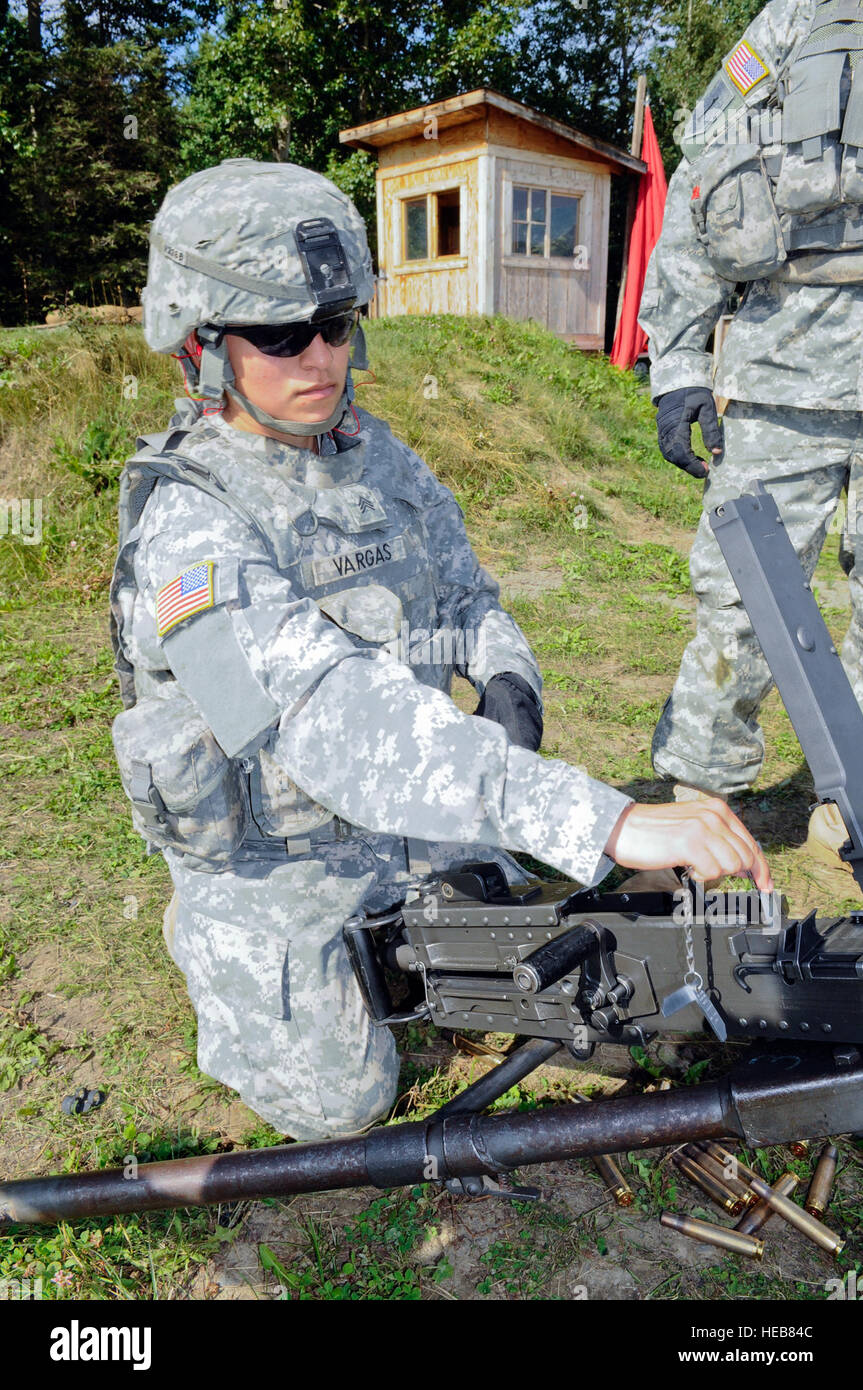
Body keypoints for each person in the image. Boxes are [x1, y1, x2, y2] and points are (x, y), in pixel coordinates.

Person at [109, 158, 771, 1142]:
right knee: (341, 1104)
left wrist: (505, 674)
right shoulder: (188, 529)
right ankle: (211, 935)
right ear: (197, 343)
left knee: (592, 983)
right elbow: (323, 715)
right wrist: (604, 818)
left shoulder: (374, 457)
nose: (320, 357)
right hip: (277, 858)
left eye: (335, 324)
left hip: (408, 819)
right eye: (280, 335)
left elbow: (465, 594)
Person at [639, 0, 863, 879]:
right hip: (781, 374)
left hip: (786, 375)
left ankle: (852, 807)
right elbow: (706, 173)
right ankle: (698, 800)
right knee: (743, 593)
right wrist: (678, 363)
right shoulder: (791, 24)